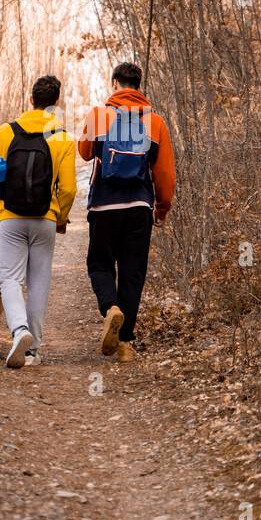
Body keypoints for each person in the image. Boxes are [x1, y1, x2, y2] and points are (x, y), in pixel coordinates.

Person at [0, 75, 75, 368]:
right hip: (45, 219)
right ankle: (33, 350)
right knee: (39, 282)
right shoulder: (62, 136)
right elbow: (68, 189)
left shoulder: (7, 131)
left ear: (31, 100)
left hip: (11, 219)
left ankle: (19, 330)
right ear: (55, 103)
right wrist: (60, 217)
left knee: (9, 279)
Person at [78, 61, 175, 361]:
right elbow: (165, 173)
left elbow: (83, 152)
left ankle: (111, 308)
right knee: (133, 272)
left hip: (104, 205)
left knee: (99, 263)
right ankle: (125, 344)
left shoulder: (98, 115)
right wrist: (162, 207)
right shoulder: (155, 122)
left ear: (114, 83)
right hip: (139, 207)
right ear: (138, 84)